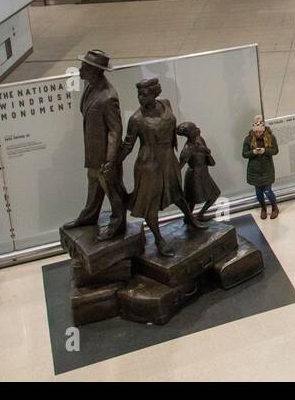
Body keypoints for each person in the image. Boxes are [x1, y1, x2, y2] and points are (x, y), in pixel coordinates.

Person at [122, 77, 204, 257]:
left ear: (154, 93)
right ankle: (159, 239)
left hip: (168, 158)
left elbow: (173, 129)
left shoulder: (166, 104)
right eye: (138, 95)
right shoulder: (136, 119)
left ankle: (191, 219)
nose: (140, 98)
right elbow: (128, 145)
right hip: (148, 164)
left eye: (143, 95)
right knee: (150, 202)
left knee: (177, 193)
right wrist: (114, 162)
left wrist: (192, 136)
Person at [62, 49, 128, 242]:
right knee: (94, 186)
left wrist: (110, 160)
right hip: (93, 153)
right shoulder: (90, 89)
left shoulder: (108, 97)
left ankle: (117, 223)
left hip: (105, 156)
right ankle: (89, 215)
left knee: (112, 189)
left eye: (84, 68)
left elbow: (115, 130)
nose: (80, 71)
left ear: (95, 71)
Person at [177, 121, 220, 221]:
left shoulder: (199, 139)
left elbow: (208, 152)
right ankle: (188, 218)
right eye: (194, 129)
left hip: (203, 172)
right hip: (194, 175)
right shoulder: (187, 149)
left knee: (214, 195)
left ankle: (199, 215)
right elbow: (180, 166)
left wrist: (203, 149)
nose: (198, 129)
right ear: (190, 133)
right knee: (192, 200)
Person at [243, 115, 280, 219]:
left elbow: (275, 150)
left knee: (268, 191)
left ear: (263, 130)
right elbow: (244, 154)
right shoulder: (248, 139)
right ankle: (263, 208)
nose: (258, 133)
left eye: (260, 131)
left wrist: (265, 151)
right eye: (256, 132)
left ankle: (274, 207)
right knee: (258, 193)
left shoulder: (270, 137)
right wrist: (253, 152)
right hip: (254, 171)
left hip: (267, 169)